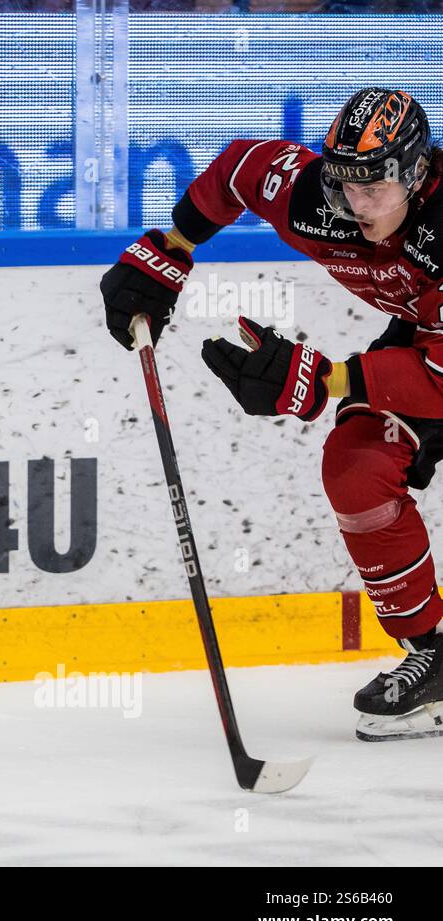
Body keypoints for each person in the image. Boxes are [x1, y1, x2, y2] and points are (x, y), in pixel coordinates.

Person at [101, 88, 443, 742]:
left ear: (417, 173)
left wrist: (328, 379)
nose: (355, 205)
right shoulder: (320, 198)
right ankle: (436, 653)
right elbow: (241, 169)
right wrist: (172, 247)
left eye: (374, 189)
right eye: (346, 184)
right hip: (427, 338)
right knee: (357, 465)